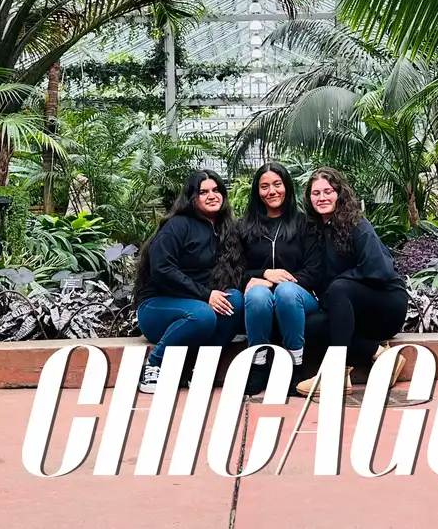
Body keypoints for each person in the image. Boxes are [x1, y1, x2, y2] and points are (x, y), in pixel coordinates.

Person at [295, 167, 409, 397]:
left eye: (328, 191)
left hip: (385, 305)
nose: (322, 197)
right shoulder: (315, 231)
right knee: (310, 327)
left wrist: (339, 286)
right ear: (309, 199)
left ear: (339, 193)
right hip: (351, 314)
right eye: (316, 193)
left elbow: (380, 270)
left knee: (339, 288)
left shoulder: (357, 224)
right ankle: (381, 355)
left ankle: (336, 373)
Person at [134, 169, 244, 393]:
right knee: (202, 315)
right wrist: (206, 295)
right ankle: (153, 365)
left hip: (198, 309)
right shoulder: (177, 226)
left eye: (216, 190)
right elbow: (162, 269)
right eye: (203, 192)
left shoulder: (226, 229)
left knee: (235, 300)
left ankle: (202, 368)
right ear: (192, 197)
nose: (212, 196)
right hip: (158, 309)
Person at [239, 162, 322, 396]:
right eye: (264, 186)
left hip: (299, 297)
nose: (272, 191)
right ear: (257, 191)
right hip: (259, 299)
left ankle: (295, 366)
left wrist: (276, 281)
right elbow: (235, 271)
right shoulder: (244, 227)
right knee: (257, 294)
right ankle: (258, 366)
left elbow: (314, 272)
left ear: (287, 187)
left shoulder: (305, 224)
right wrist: (263, 274)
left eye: (277, 184)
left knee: (285, 292)